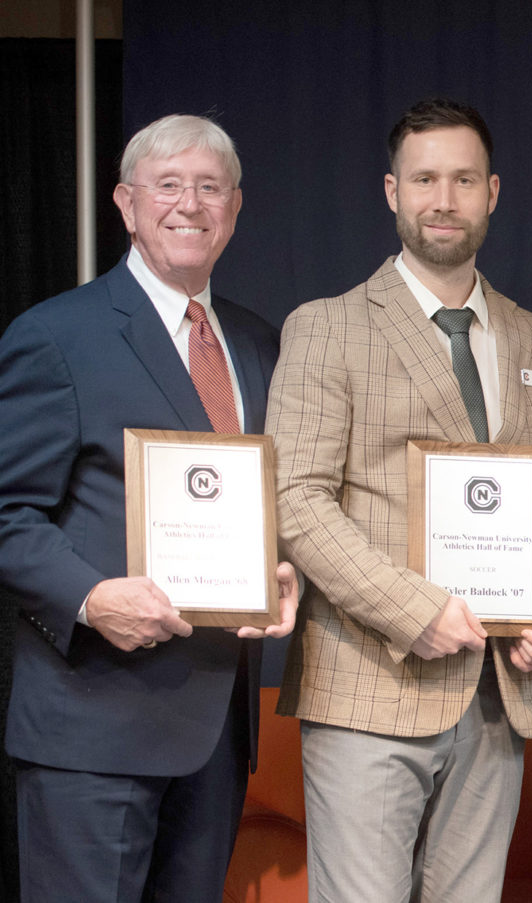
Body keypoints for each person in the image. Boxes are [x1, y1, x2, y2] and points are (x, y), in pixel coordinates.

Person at [266, 98, 532, 901]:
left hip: (498, 693)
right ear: (391, 191)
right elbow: (297, 499)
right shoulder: (326, 327)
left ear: (494, 191)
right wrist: (417, 609)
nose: (445, 198)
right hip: (371, 680)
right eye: (426, 179)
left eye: (464, 179)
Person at [0, 113, 297, 901]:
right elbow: (8, 516)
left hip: (217, 737)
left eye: (210, 188)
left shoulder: (261, 345)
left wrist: (284, 574)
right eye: (168, 186)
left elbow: (267, 504)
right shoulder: (56, 336)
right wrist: (93, 598)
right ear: (127, 205)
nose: (190, 205)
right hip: (92, 727)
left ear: (235, 208)